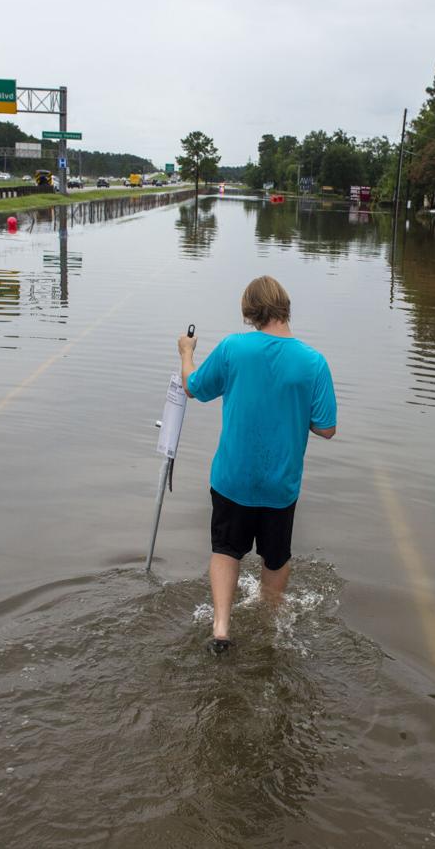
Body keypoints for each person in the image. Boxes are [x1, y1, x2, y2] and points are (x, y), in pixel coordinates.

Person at [178, 275, 336, 654]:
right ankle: (269, 626)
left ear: (250, 312)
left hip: (233, 478)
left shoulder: (233, 348)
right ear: (285, 307)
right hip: (280, 485)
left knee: (225, 550)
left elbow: (194, 387)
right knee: (276, 557)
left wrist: (186, 352)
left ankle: (220, 630)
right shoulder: (313, 362)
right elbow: (326, 428)